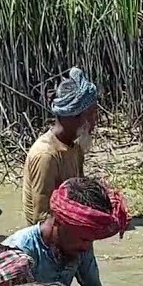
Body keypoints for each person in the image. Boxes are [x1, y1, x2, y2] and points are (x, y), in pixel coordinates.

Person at [4, 176, 127, 286]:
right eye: (83, 239)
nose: (86, 247)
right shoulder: (20, 253)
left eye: (91, 240)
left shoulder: (81, 246)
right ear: (59, 223)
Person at [22, 67, 98, 225]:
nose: (94, 122)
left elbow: (79, 194)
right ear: (73, 117)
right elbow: (41, 217)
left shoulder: (75, 148)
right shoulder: (46, 156)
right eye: (91, 115)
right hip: (50, 241)